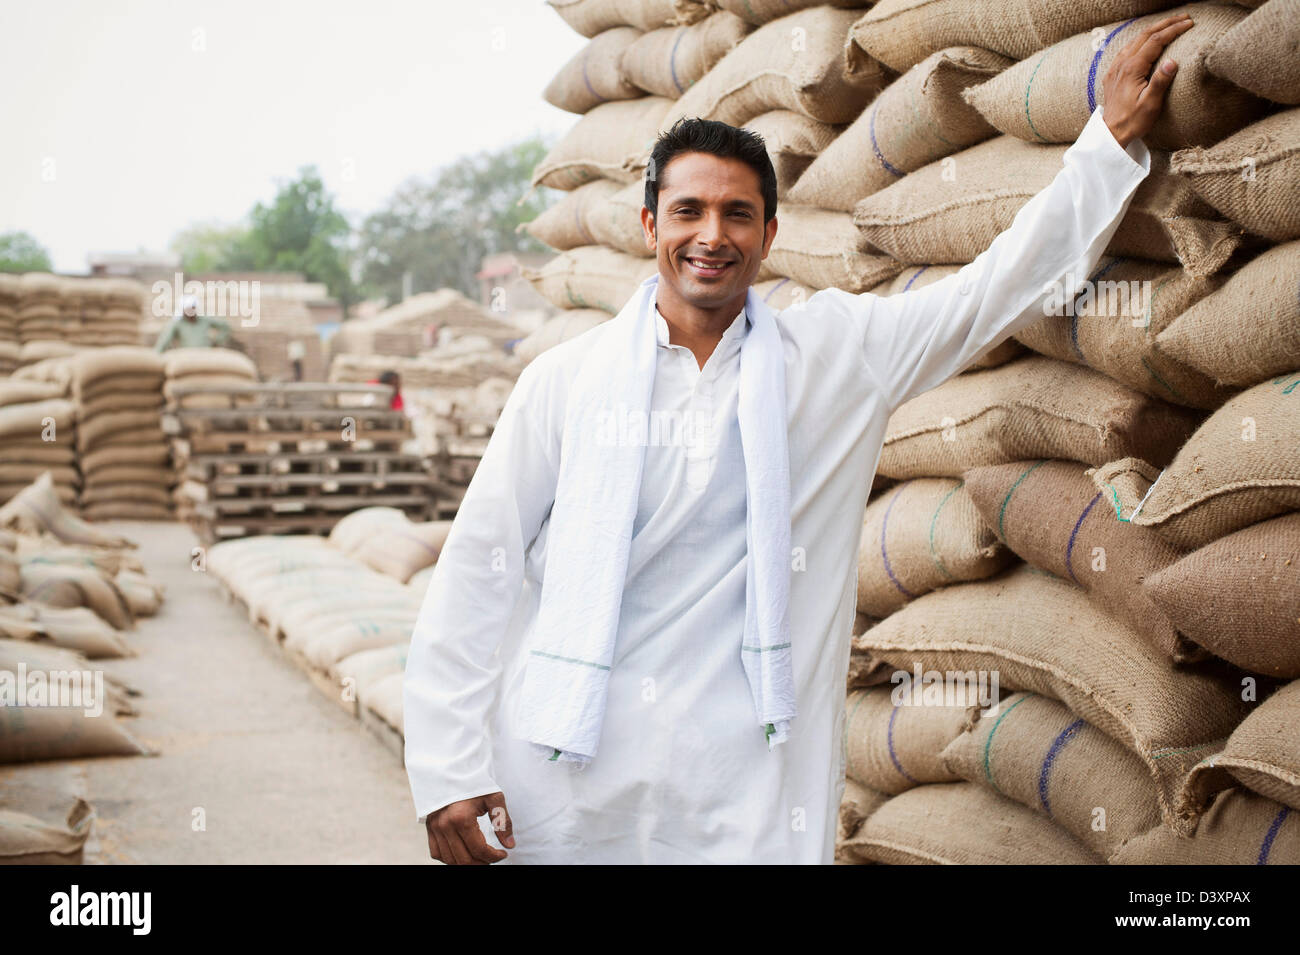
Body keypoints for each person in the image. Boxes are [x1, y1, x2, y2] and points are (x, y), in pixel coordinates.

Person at [403, 15, 1192, 865]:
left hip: (742, 790)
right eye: (688, 212)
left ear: (769, 237)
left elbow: (988, 292)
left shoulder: (834, 356)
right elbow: (477, 571)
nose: (712, 235)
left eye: (737, 214)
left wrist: (1105, 149)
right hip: (567, 778)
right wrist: (448, 767)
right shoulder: (564, 383)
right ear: (647, 226)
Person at [153, 293, 234, 352]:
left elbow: (225, 326)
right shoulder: (177, 323)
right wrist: (158, 353)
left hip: (205, 354)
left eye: (192, 309)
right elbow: (165, 339)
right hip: (187, 356)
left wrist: (217, 341)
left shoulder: (204, 320)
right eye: (187, 309)